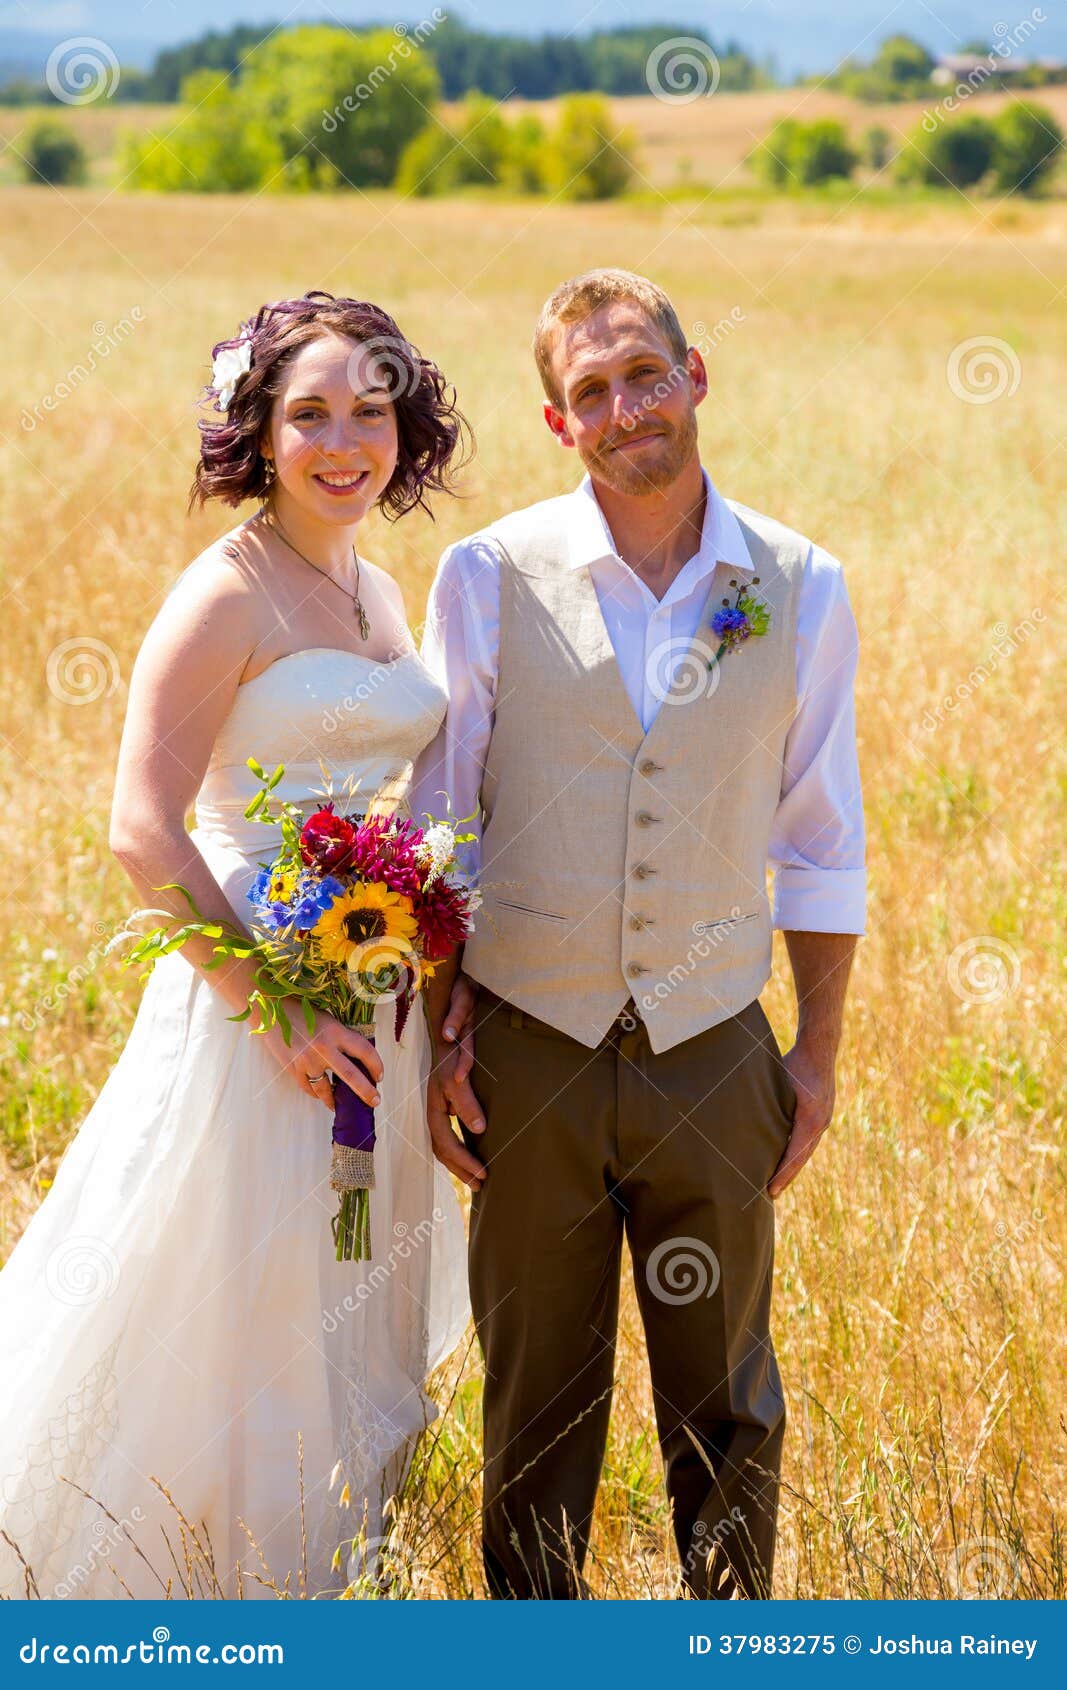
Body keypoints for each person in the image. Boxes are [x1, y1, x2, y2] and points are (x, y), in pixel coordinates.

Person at [0, 291, 472, 1600]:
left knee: (343, 1285)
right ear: (258, 432)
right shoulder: (226, 592)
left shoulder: (378, 586)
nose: (343, 441)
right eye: (308, 413)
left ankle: (319, 1576)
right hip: (253, 1006)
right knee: (227, 1301)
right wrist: (278, 1010)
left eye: (370, 410)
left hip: (371, 994)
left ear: (406, 426)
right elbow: (141, 828)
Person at [410, 267, 866, 1600]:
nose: (626, 410)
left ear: (695, 375)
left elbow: (820, 839)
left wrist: (816, 1058)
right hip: (527, 1050)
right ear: (560, 422)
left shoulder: (800, 583)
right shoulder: (487, 576)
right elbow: (441, 832)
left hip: (714, 1047)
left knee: (729, 1406)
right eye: (592, 391)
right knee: (535, 1412)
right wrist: (441, 1035)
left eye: (645, 375)